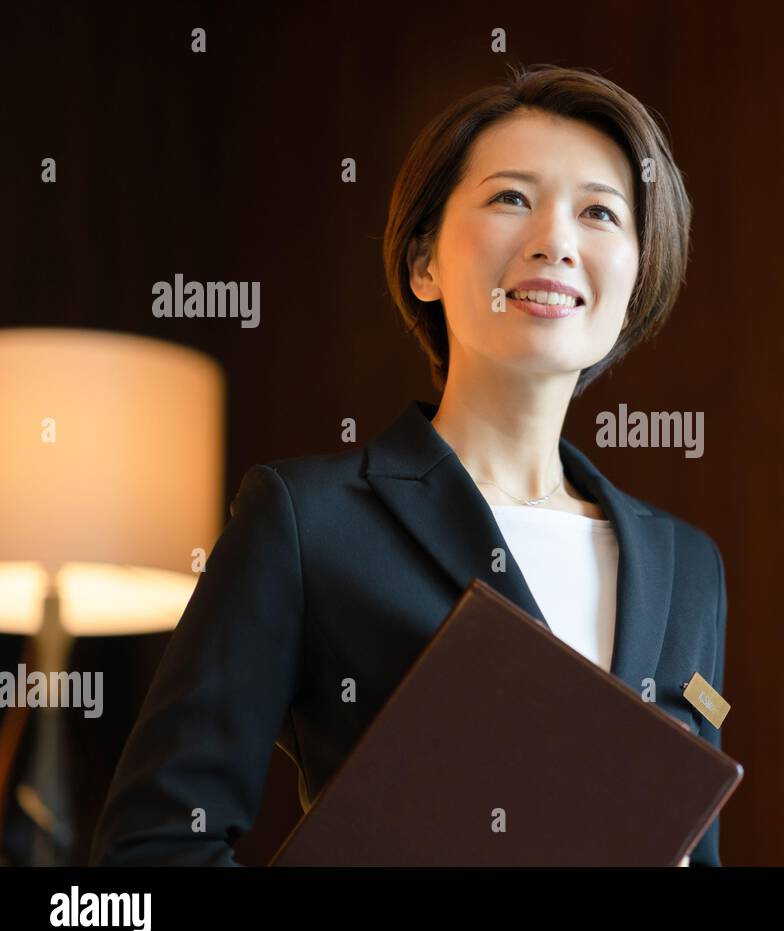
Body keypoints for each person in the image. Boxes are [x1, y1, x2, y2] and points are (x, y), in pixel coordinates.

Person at [89, 64, 728, 867]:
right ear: (424, 262)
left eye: (600, 212)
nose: (556, 241)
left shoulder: (688, 568)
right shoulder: (306, 520)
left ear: (636, 282)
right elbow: (149, 854)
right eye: (510, 198)